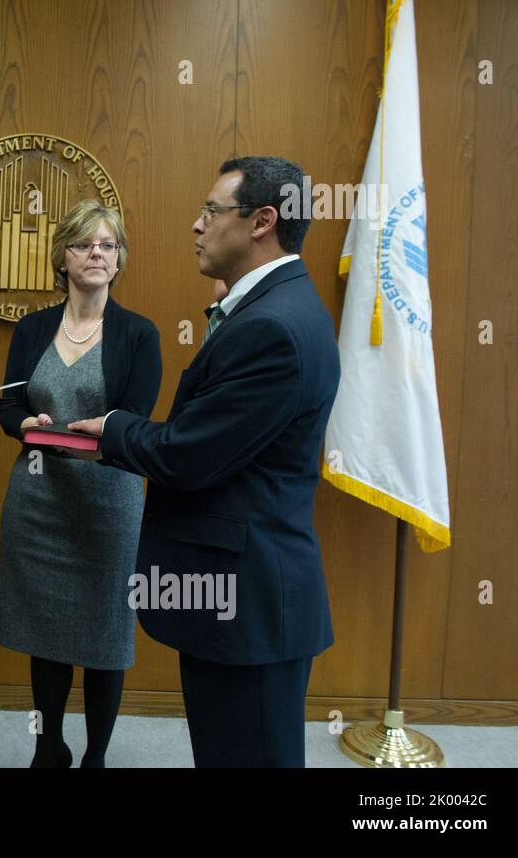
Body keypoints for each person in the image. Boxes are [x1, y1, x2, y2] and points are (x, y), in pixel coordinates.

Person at [75, 156, 340, 767]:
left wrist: (113, 427)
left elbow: (190, 457)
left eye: (211, 211)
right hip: (242, 598)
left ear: (261, 222)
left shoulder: (271, 326)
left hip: (249, 608)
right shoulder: (273, 306)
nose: (196, 225)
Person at [0, 200, 161, 767]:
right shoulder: (33, 327)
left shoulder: (139, 334)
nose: (96, 253)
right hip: (38, 500)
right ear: (61, 258)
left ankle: (96, 757)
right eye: (83, 244)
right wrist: (21, 423)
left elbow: (137, 418)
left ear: (119, 260)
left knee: (105, 639)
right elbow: (9, 404)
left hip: (109, 504)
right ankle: (49, 747)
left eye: (108, 245)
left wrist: (108, 427)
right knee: (46, 634)